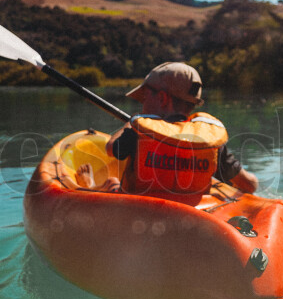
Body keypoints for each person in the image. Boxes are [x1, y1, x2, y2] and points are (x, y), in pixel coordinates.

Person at [100, 62, 258, 201]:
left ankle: (88, 182)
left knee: (111, 181)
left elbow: (111, 147)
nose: (143, 103)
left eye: (145, 96)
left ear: (162, 98)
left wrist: (133, 122)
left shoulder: (139, 132)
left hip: (143, 215)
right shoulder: (208, 140)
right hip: (192, 218)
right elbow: (250, 185)